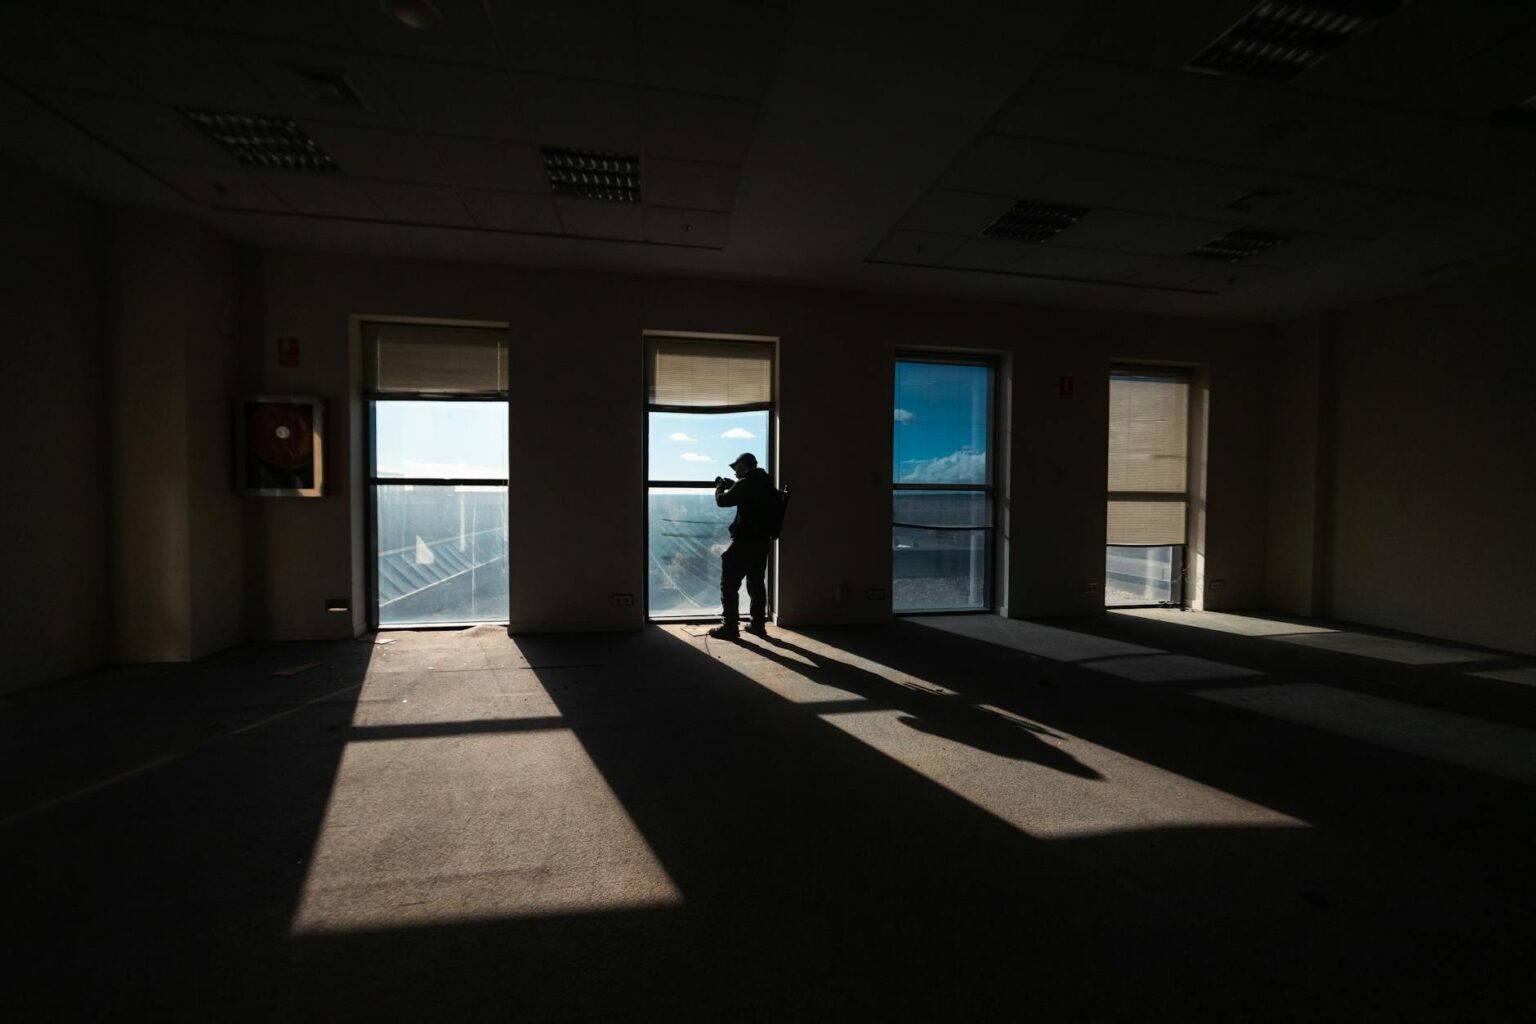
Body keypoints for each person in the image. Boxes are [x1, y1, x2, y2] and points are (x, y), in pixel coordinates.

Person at [709, 452, 775, 639]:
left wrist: (719, 488)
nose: (734, 471)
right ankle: (757, 624)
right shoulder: (766, 483)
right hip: (761, 542)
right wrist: (735, 485)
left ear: (743, 465)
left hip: (744, 540)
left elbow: (723, 501)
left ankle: (730, 627)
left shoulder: (746, 484)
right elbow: (749, 497)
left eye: (735, 467)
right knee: (756, 583)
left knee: (728, 583)